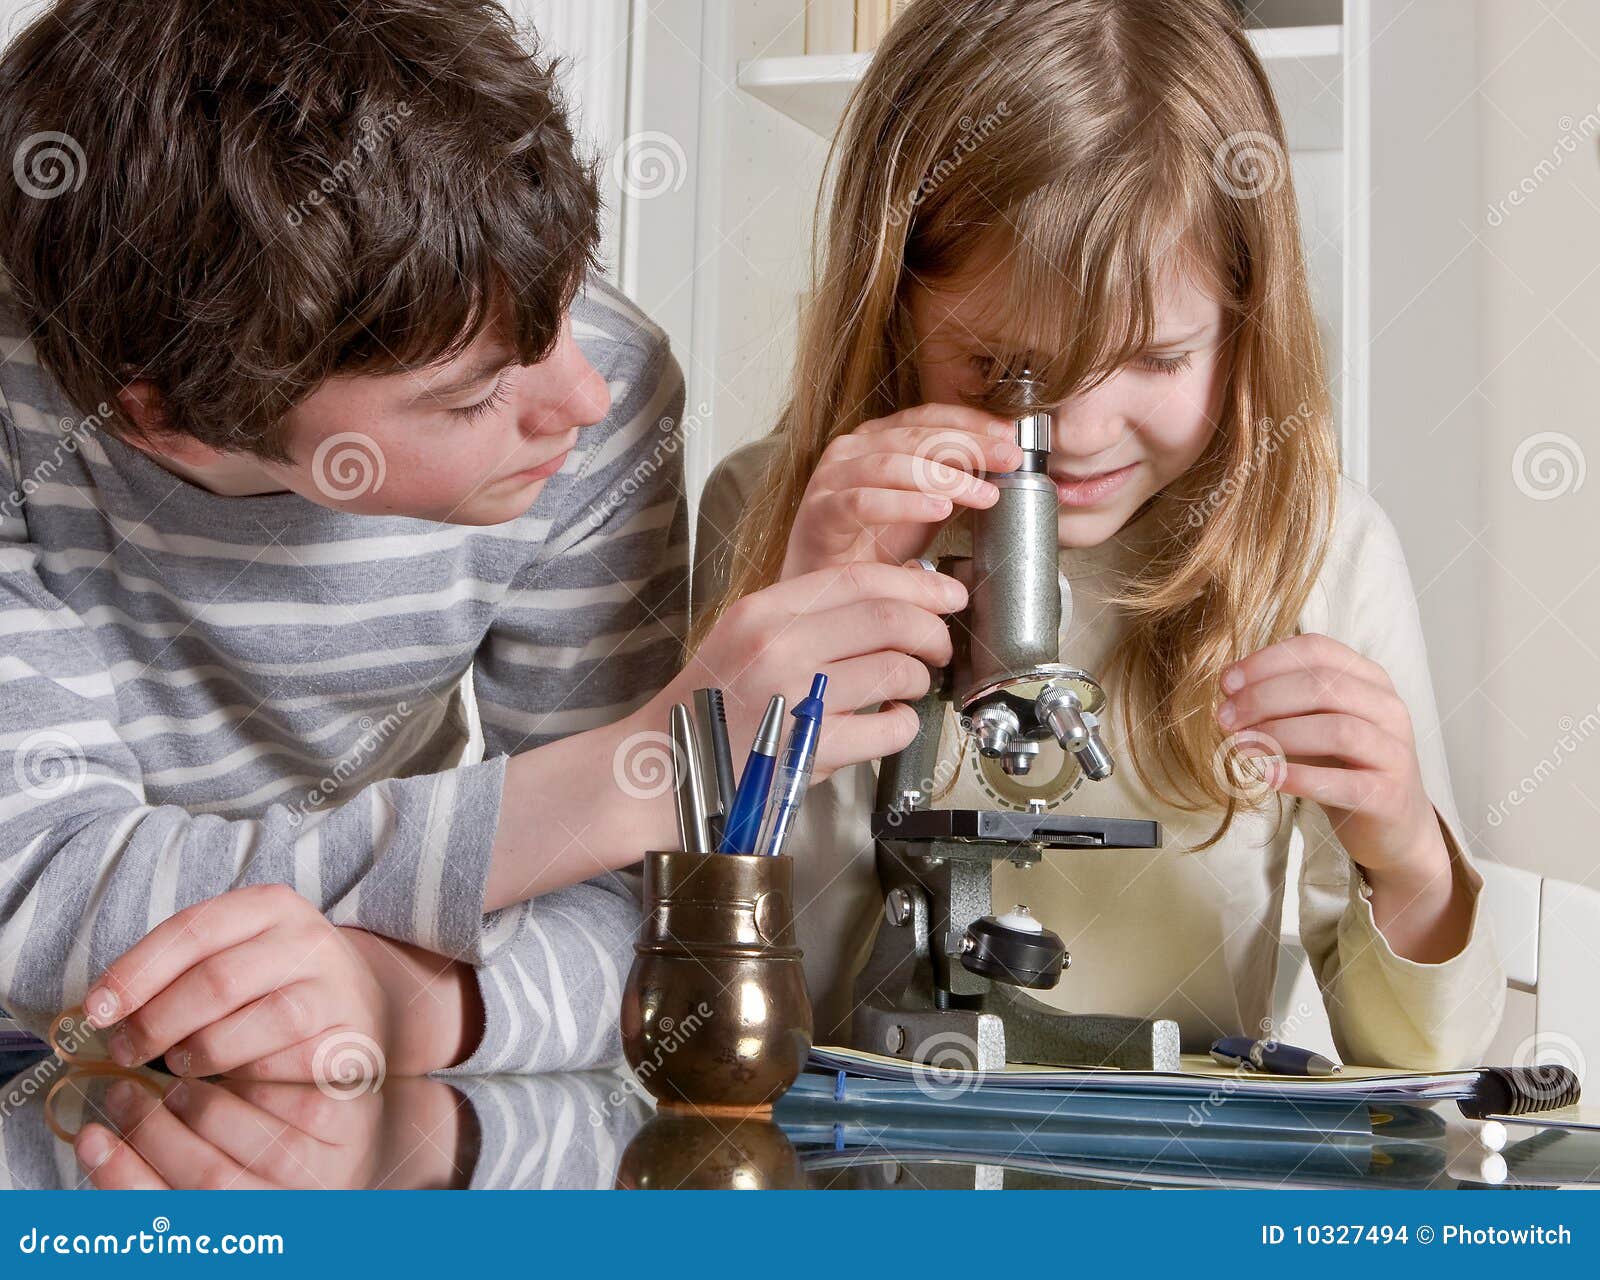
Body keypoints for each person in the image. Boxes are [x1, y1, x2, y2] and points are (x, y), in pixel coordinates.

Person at [0, 0, 955, 1116]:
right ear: (160, 419)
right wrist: (630, 771)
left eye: (560, 308)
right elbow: (39, 894)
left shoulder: (601, 387)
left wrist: (402, 1002)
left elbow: (640, 930)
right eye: (472, 393)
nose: (581, 399)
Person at [694, 0, 1503, 1068]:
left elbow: (1418, 1052)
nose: (1068, 437)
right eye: (994, 369)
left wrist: (1405, 855)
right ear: (891, 307)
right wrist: (803, 644)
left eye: (1155, 359)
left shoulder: (1322, 548)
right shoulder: (771, 507)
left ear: (1245, 320)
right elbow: (703, 988)